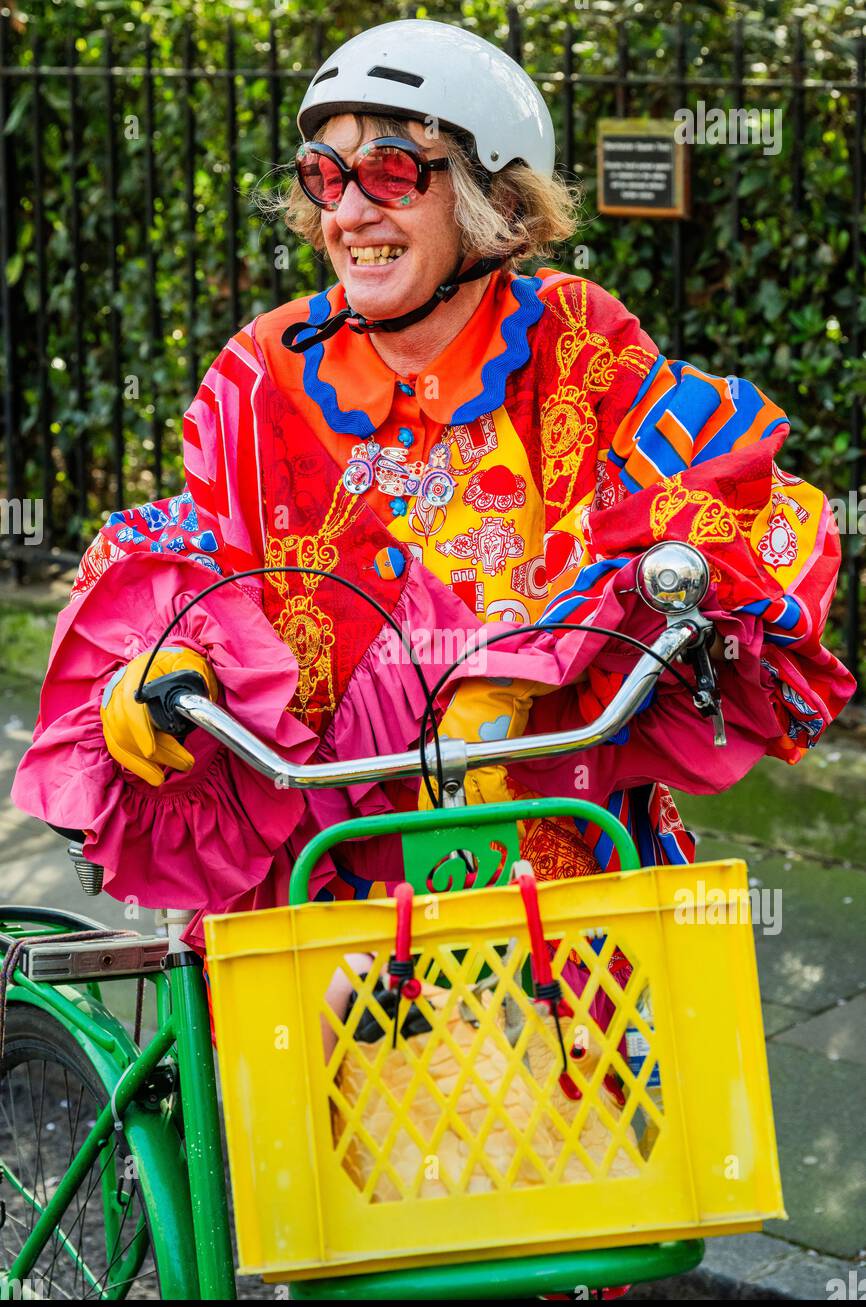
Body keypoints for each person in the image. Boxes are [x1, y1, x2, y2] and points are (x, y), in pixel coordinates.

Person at [13, 19, 854, 961]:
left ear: (496, 197)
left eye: (391, 171)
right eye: (325, 178)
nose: (349, 213)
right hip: (313, 886)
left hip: (550, 889)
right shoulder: (262, 371)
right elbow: (203, 544)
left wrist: (527, 672)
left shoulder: (577, 343)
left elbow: (735, 496)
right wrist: (162, 660)